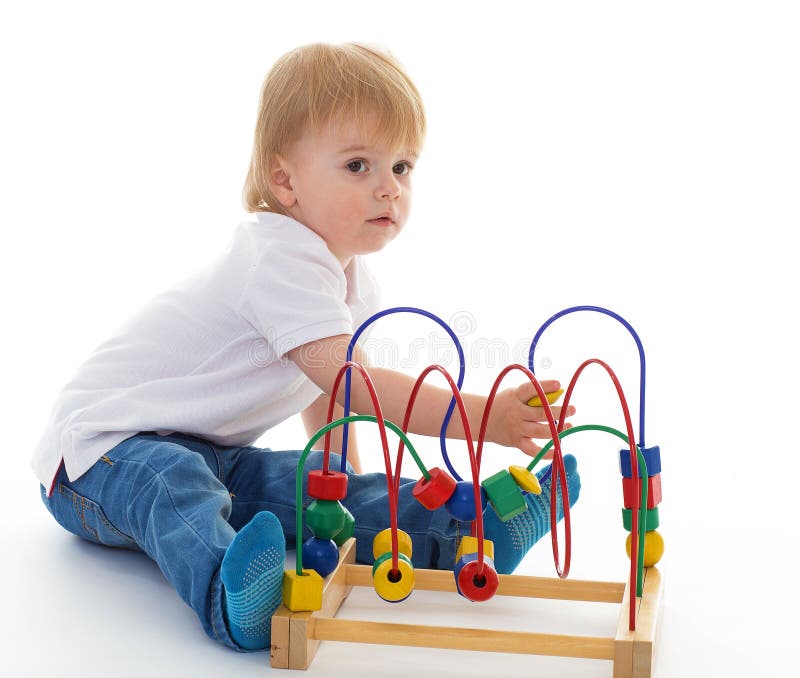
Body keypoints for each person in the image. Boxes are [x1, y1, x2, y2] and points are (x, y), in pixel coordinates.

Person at [32, 42, 580, 653]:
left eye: (402, 167)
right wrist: (487, 418)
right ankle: (230, 596)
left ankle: (459, 531)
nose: (388, 189)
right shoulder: (279, 257)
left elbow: (331, 401)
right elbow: (354, 386)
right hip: (97, 461)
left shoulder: (348, 277)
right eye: (358, 166)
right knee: (173, 482)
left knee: (310, 484)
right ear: (285, 180)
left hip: (214, 452)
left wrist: (343, 483)